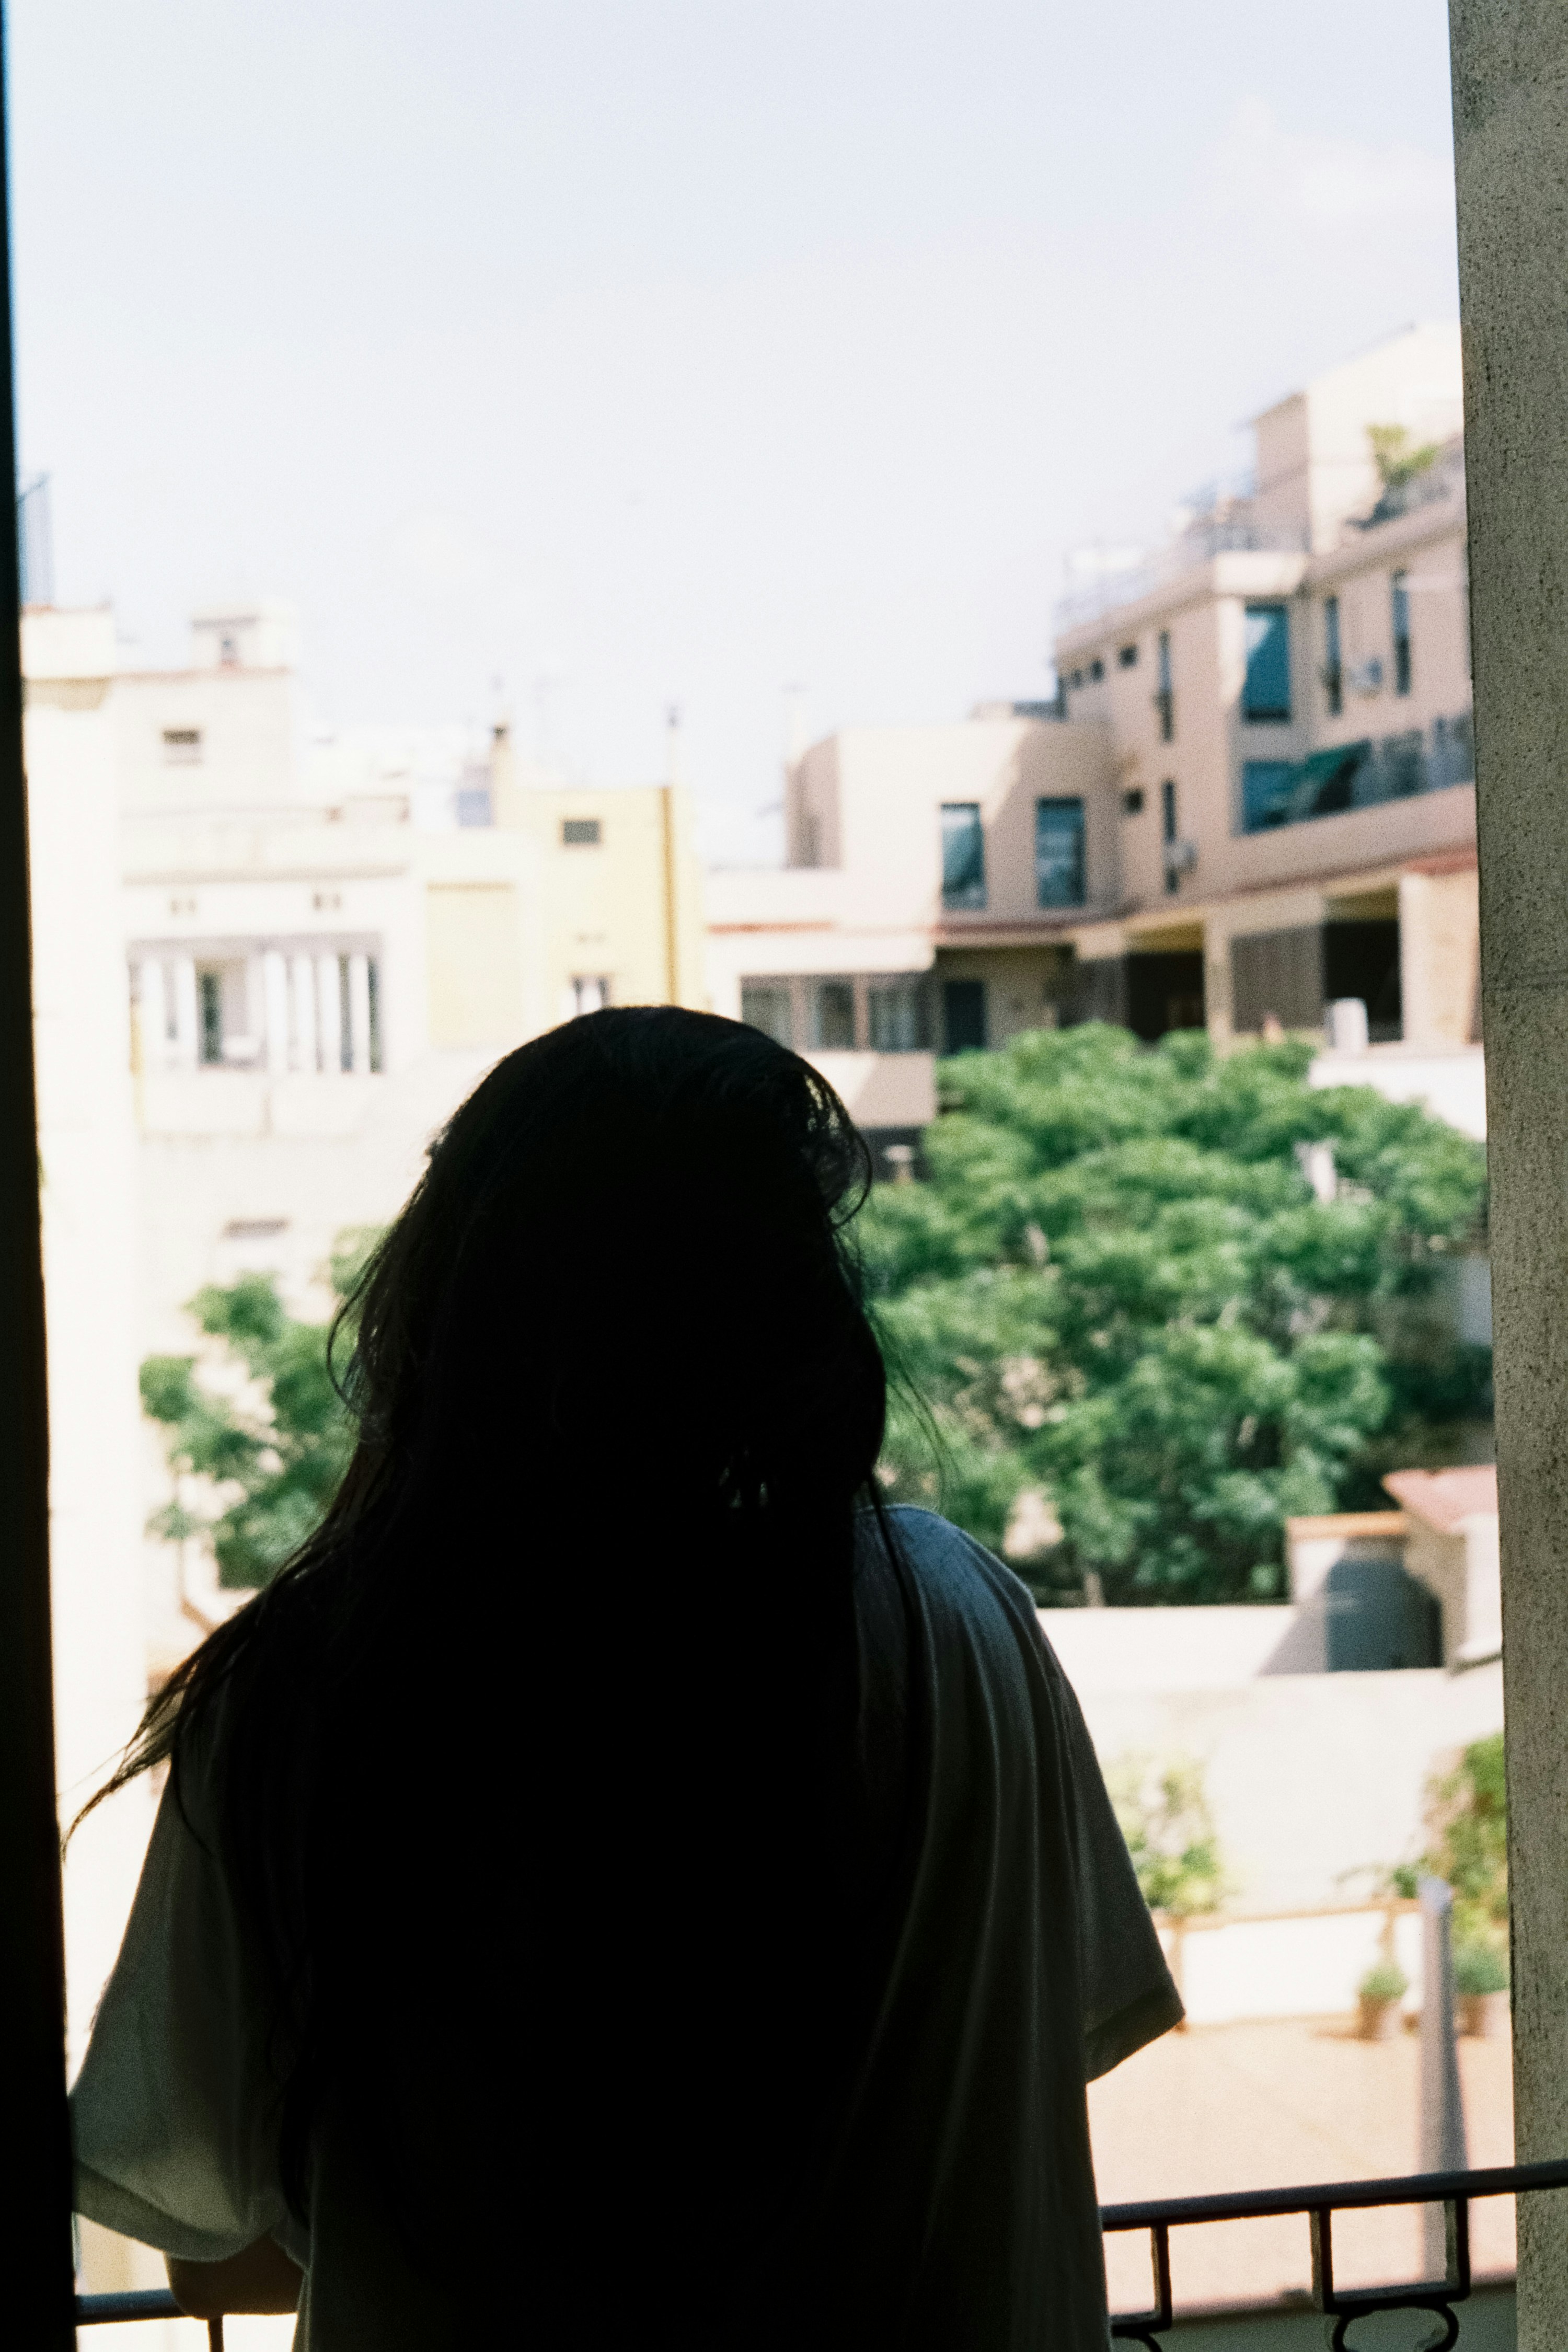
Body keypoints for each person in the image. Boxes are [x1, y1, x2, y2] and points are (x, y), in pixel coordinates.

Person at [70, 1006, 1180, 2348]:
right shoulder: (969, 1623)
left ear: (460, 1290)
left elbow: (210, 2239)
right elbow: (1041, 2059)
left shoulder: (326, 1681)